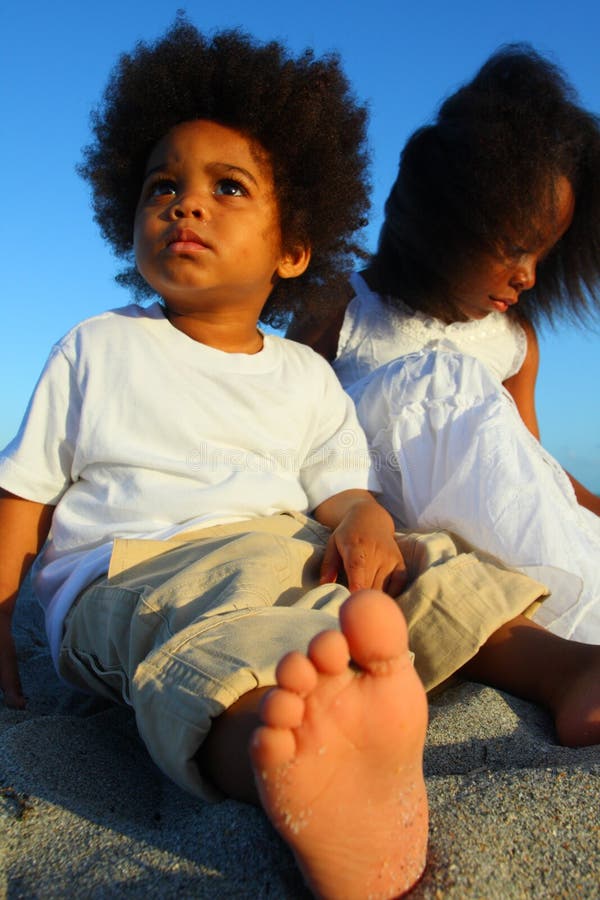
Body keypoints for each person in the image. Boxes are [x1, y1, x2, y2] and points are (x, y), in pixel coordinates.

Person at [0, 25, 597, 899]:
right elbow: (23, 497)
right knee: (214, 657)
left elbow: (339, 482)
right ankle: (300, 774)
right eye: (162, 186)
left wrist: (364, 522)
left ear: (291, 248)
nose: (185, 205)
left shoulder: (300, 375)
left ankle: (566, 667)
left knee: (436, 570)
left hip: (277, 541)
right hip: (137, 567)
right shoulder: (95, 348)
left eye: (226, 187)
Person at [289, 44, 600, 646]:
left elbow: (523, 466)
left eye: (543, 254)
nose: (529, 276)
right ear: (445, 222)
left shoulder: (513, 343)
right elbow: (280, 411)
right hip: (379, 539)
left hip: (499, 544)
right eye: (513, 247)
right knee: (438, 376)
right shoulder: (346, 309)